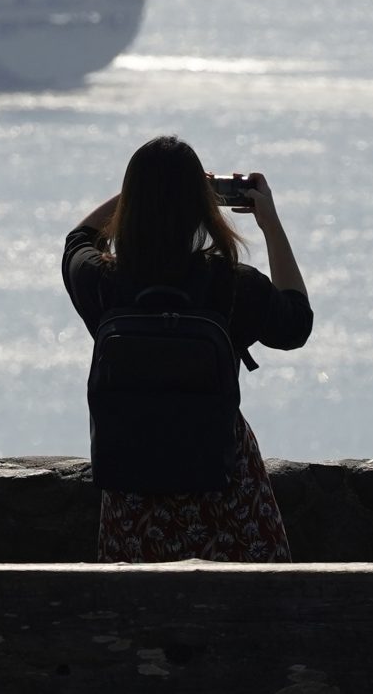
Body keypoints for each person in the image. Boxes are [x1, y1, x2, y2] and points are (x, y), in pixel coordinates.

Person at [64, 135, 312, 562]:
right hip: (225, 488)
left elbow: (79, 239)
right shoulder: (233, 284)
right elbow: (296, 323)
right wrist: (269, 222)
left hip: (134, 498)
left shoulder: (103, 284)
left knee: (139, 617)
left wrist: (138, 193)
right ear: (200, 206)